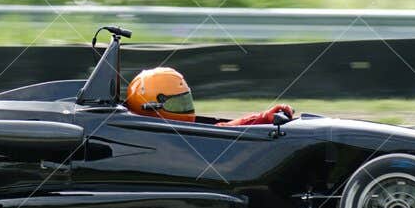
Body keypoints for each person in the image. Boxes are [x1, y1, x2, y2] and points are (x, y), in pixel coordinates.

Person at [125, 67, 293, 126]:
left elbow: (224, 128)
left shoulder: (186, 132)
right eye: (177, 103)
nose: (185, 109)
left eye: (185, 100)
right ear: (151, 107)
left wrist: (264, 117)